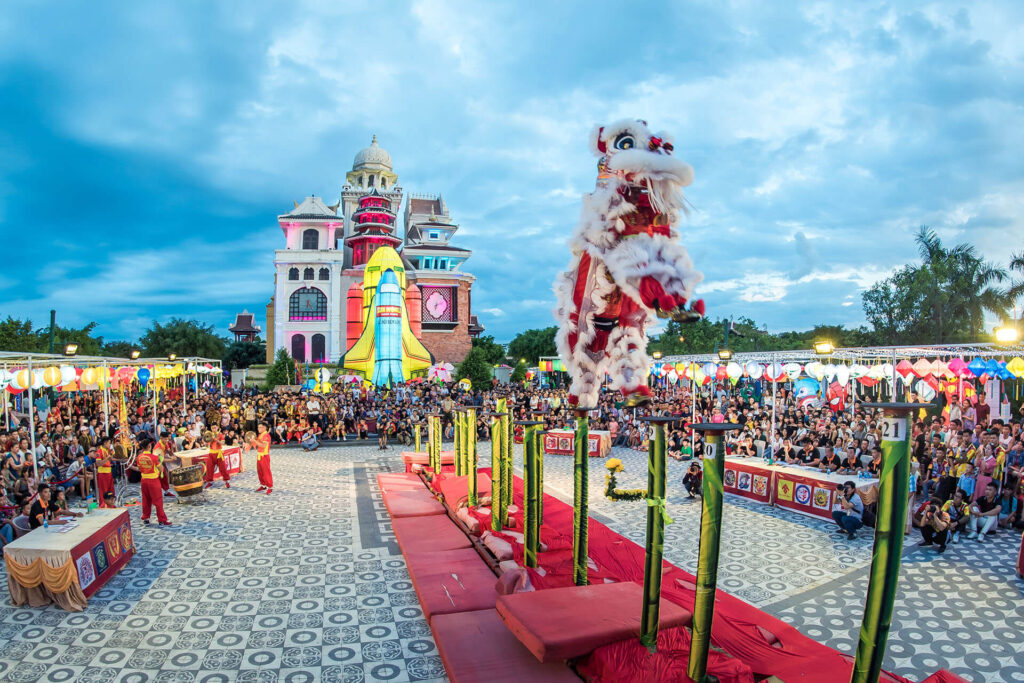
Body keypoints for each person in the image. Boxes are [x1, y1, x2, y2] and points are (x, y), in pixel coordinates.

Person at [138, 441, 170, 526]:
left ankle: (146, 518)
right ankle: (161, 520)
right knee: (158, 500)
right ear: (149, 446)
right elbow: (161, 469)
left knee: (146, 499)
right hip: (153, 481)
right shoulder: (154, 457)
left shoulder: (139, 457)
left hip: (144, 480)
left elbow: (139, 468)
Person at [252, 423, 274, 494]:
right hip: (259, 455)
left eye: (260, 427)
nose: (258, 429)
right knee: (260, 471)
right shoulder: (260, 435)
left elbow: (263, 445)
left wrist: (254, 441)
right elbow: (257, 444)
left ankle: (270, 487)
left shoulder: (266, 435)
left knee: (266, 471)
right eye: (258, 427)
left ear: (264, 428)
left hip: (264, 456)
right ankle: (263, 485)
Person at [95, 437, 115, 506]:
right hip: (102, 474)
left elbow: (111, 459)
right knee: (103, 491)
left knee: (111, 490)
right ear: (105, 443)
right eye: (109, 443)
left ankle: (111, 504)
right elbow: (98, 463)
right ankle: (103, 506)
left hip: (109, 473)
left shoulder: (108, 450)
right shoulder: (99, 451)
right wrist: (107, 458)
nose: (110, 445)